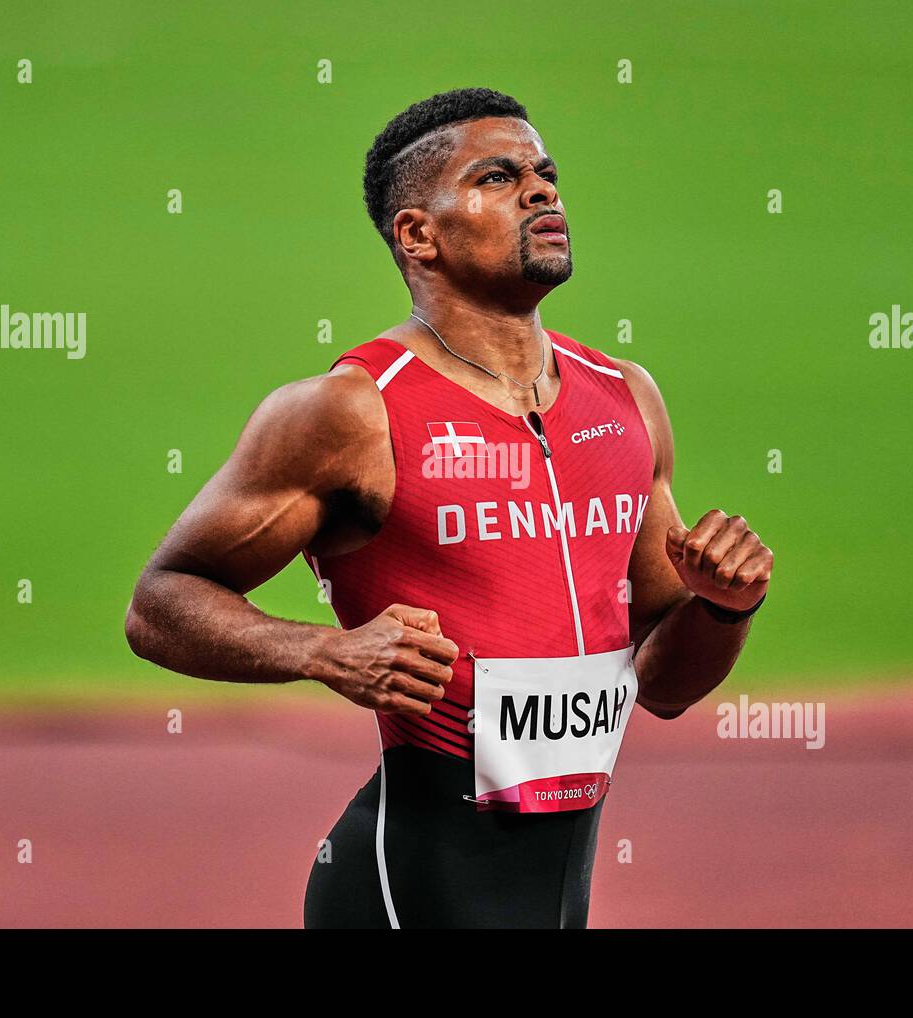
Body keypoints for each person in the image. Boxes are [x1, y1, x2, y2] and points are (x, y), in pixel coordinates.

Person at [125, 87, 774, 928]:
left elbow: (665, 684)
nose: (542, 192)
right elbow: (159, 602)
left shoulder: (625, 399)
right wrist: (323, 651)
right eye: (498, 178)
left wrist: (727, 610)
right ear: (418, 235)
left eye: (546, 174)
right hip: (404, 892)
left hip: (555, 895)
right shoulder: (352, 412)